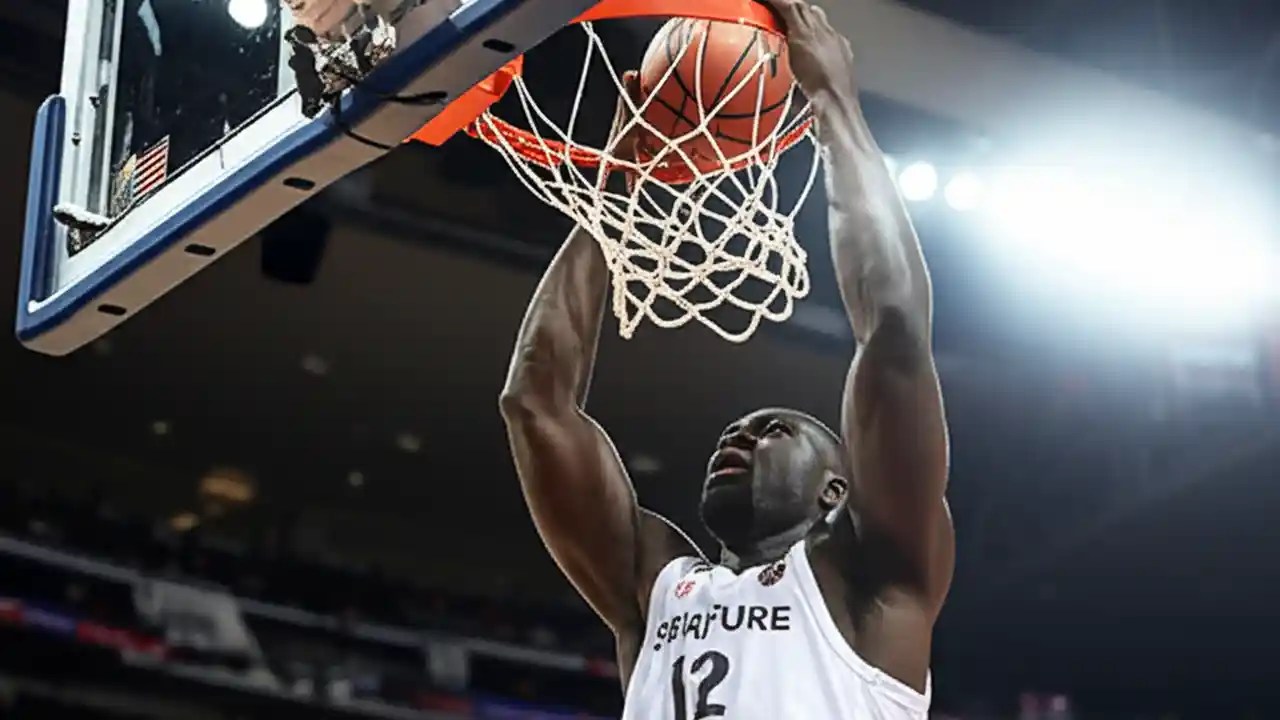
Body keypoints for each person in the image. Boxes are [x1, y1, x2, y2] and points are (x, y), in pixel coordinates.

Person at [498, 0, 953, 717]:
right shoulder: (656, 587)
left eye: (775, 431)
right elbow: (536, 402)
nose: (737, 436)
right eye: (740, 431)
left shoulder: (871, 579)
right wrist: (619, 187)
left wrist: (835, 102)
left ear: (839, 493)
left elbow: (894, 332)